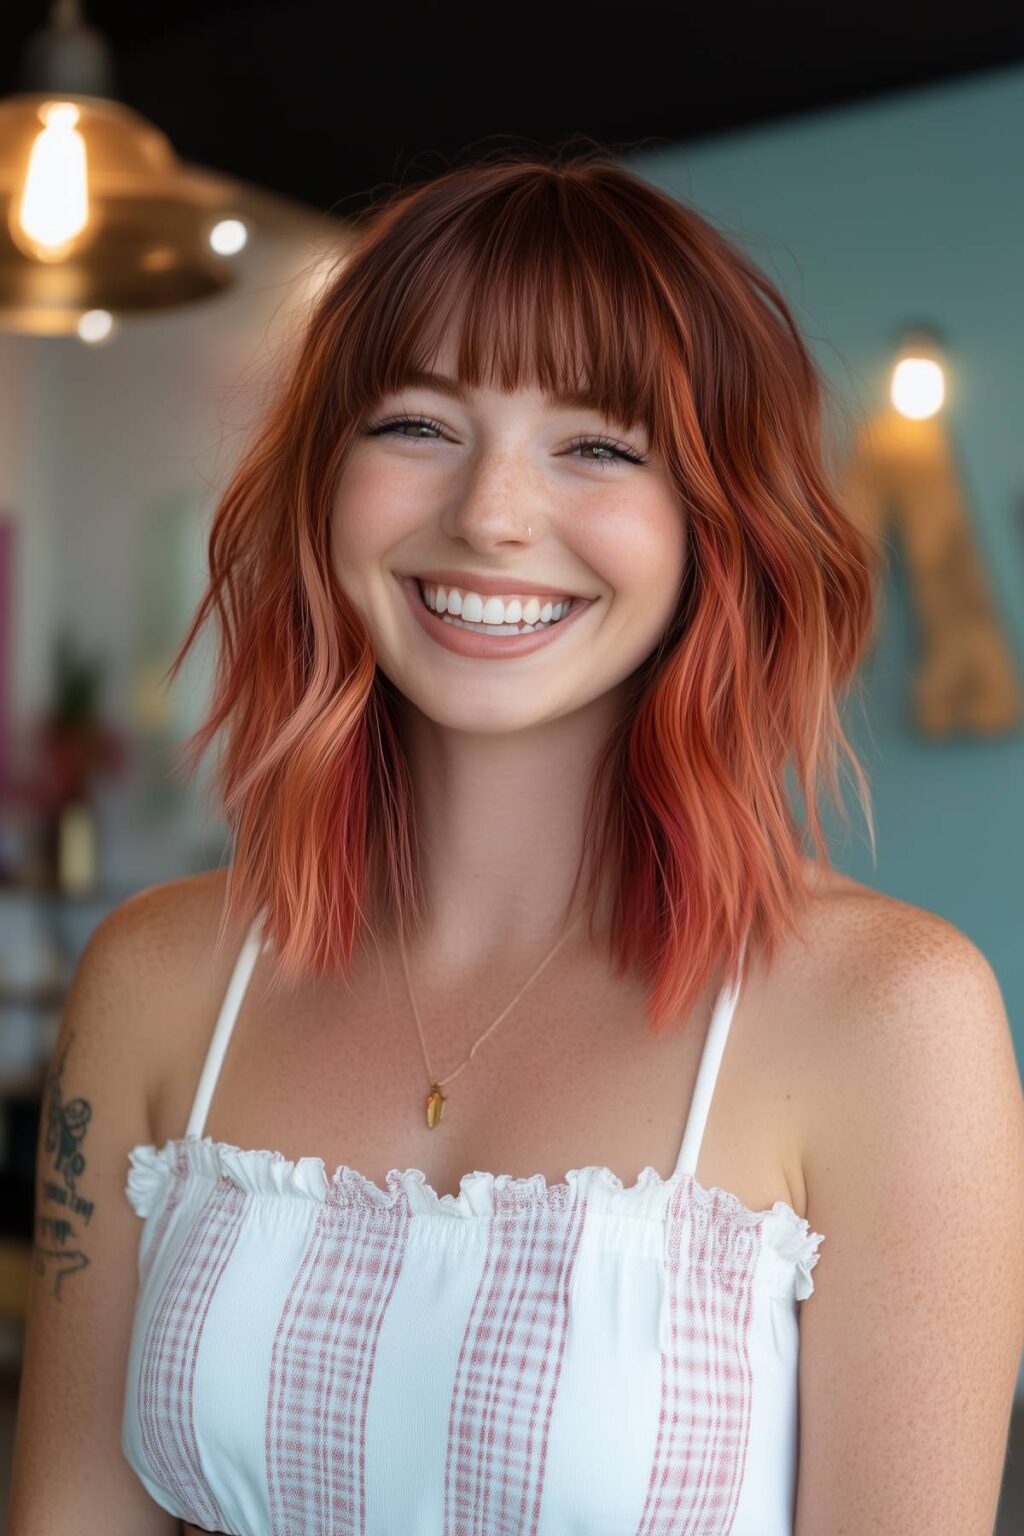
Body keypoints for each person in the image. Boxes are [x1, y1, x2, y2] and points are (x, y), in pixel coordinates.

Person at [9, 148, 1023, 1536]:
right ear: (322, 482)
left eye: (599, 446)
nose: (489, 515)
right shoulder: (161, 974)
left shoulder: (893, 1016)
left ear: (716, 529)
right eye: (416, 424)